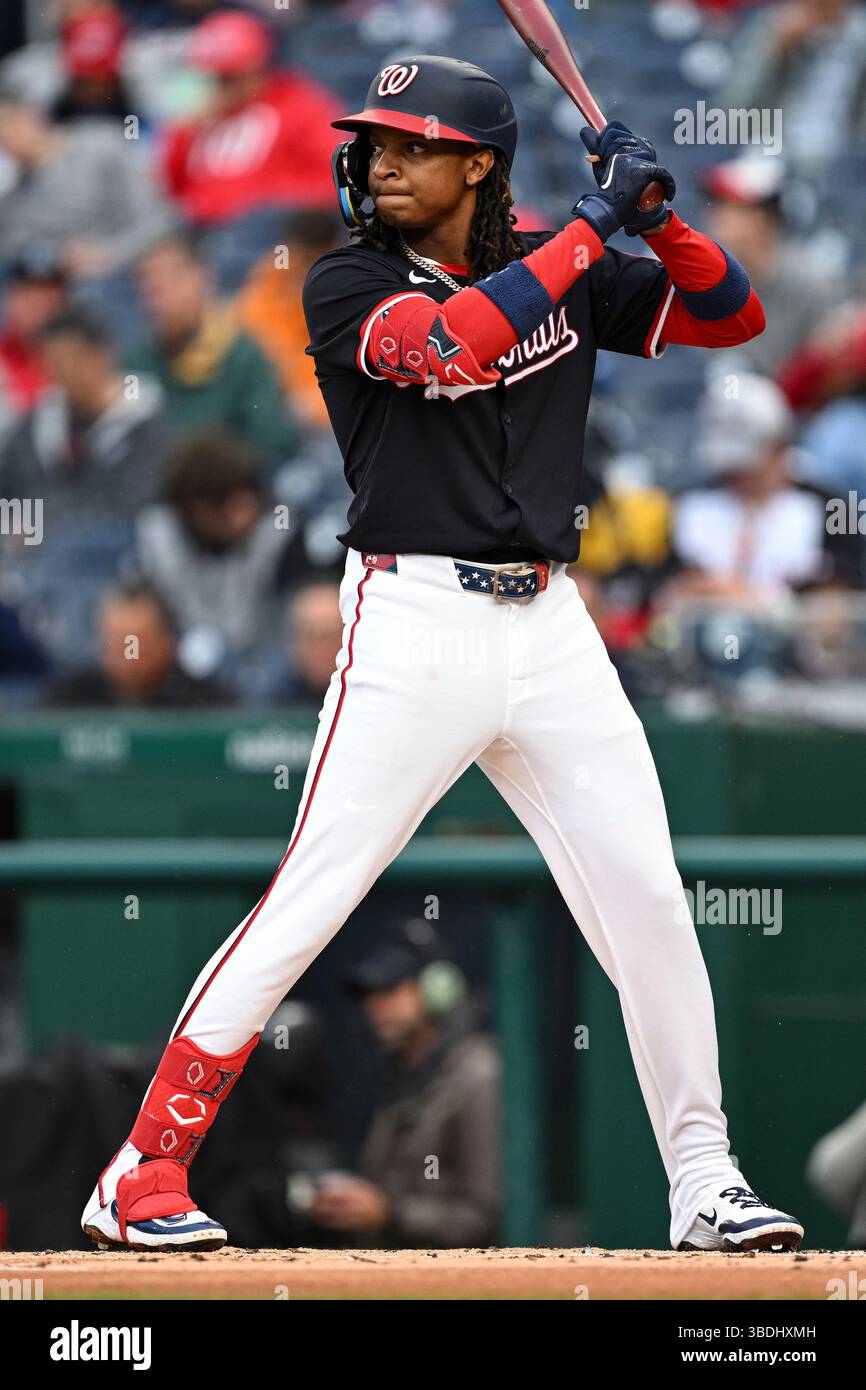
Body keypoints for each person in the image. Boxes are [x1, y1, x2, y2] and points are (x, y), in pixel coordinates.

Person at [80, 55, 804, 1256]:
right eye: (373, 143)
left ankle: (702, 1180)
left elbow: (732, 313)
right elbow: (451, 350)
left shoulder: (551, 258)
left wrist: (658, 217)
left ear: (478, 165)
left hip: (553, 628)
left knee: (649, 908)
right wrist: (586, 228)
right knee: (307, 901)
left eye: (411, 145)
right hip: (413, 619)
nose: (378, 162)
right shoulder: (347, 276)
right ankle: (141, 1170)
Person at [309, 928, 501, 1249]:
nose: (375, 1005)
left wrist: (389, 1213)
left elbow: (484, 1215)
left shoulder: (478, 1073)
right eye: (370, 995)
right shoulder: (398, 1071)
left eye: (390, 989)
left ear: (436, 991)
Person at [127, 232, 301, 469]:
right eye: (148, 288)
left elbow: (271, 442)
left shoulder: (243, 354)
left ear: (204, 279)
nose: (156, 299)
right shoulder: (138, 361)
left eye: (169, 282)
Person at [158, 8, 342, 225]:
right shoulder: (203, 118)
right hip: (202, 230)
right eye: (216, 76)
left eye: (231, 75)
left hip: (269, 231)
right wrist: (182, 133)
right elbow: (173, 189)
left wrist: (264, 202)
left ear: (258, 66)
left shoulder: (302, 105)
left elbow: (332, 180)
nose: (223, 85)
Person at [0, 92, 170, 279]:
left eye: (10, 125)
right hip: (62, 285)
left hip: (132, 269)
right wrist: (56, 256)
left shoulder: (103, 144)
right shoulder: (13, 199)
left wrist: (110, 255)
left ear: (34, 116)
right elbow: (16, 249)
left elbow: (157, 219)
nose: (8, 139)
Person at [700, 157, 841, 376]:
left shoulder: (811, 282)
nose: (717, 221)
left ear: (764, 218)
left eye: (730, 208)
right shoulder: (710, 283)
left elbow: (828, 369)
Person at [46, 579, 229, 707]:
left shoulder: (203, 706)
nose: (126, 657)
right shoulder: (71, 701)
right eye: (116, 644)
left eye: (135, 645)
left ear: (166, 642)